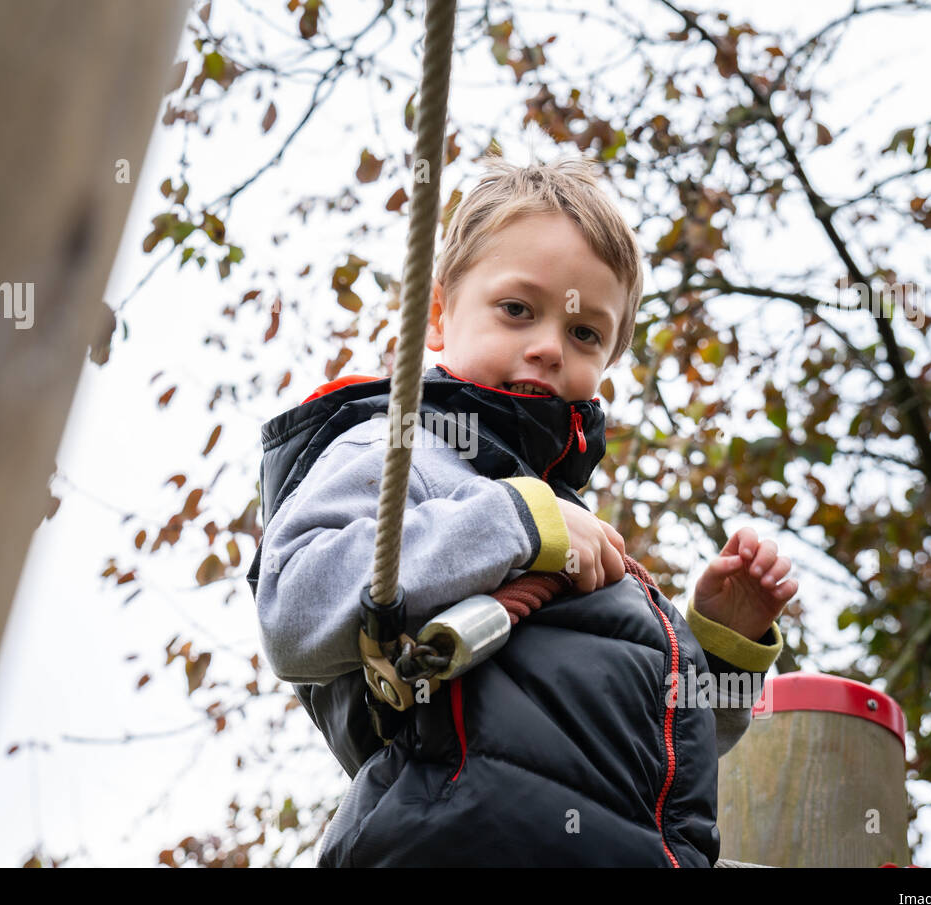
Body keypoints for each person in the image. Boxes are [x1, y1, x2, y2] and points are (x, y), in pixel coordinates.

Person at [246, 155, 798, 866]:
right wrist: (515, 520)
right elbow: (293, 608)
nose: (546, 346)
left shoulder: (583, 539)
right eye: (517, 310)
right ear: (439, 314)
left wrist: (719, 643)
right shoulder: (402, 451)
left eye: (585, 334)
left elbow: (655, 749)